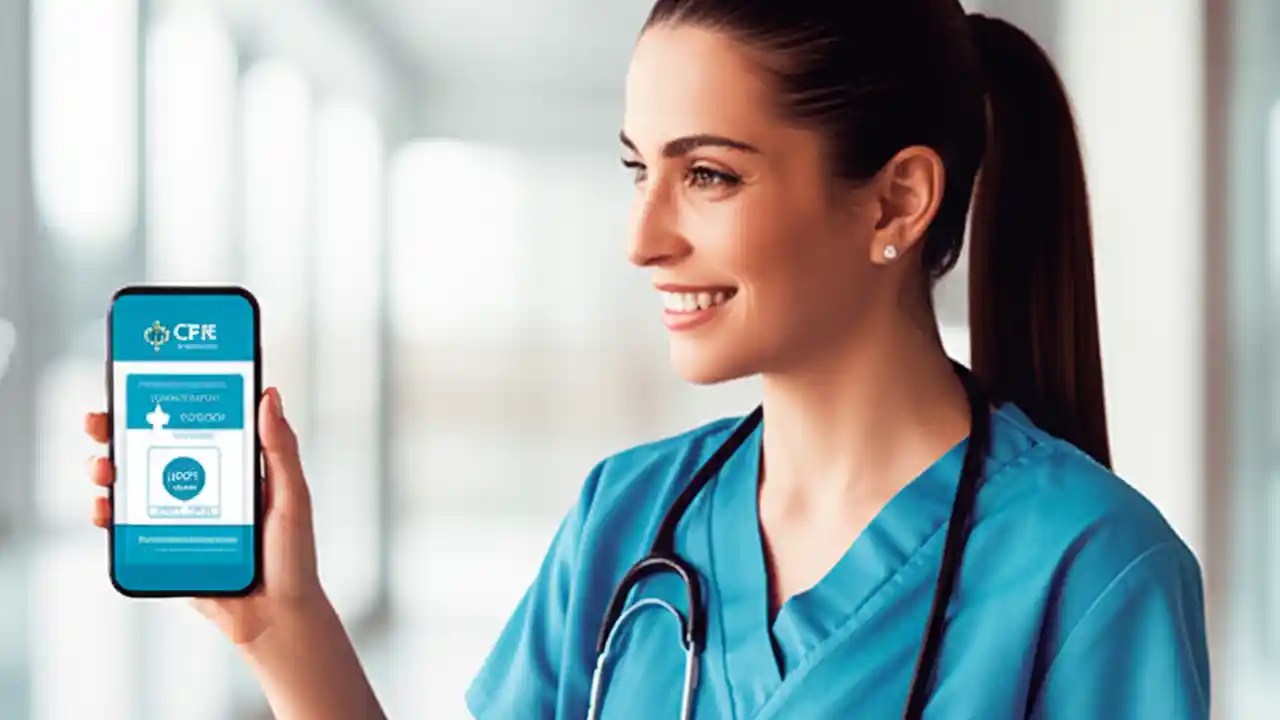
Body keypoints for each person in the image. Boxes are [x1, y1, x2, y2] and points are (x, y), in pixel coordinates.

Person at [85, 0, 1211, 717]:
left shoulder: (1090, 569)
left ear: (897, 198)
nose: (642, 236)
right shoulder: (624, 520)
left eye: (707, 174)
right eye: (638, 169)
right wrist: (282, 625)